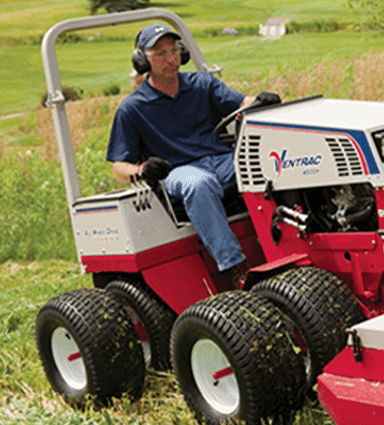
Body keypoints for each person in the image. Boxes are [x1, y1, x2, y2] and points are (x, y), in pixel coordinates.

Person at [106, 24, 279, 287]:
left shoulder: (203, 84)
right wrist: (141, 170)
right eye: (160, 53)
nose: (170, 59)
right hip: (179, 171)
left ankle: (285, 242)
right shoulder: (132, 108)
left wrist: (260, 101)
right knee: (199, 184)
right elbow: (119, 167)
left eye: (174, 50)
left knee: (266, 162)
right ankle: (236, 267)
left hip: (221, 160)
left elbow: (242, 103)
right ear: (142, 60)